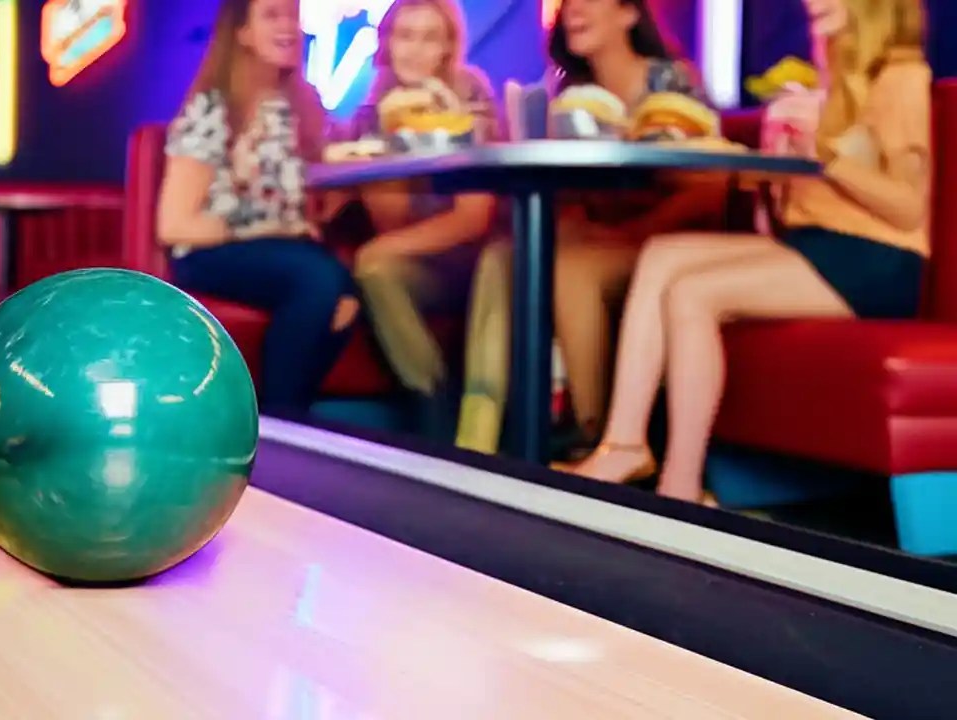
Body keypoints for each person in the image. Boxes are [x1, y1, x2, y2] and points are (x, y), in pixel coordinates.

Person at [569, 0, 931, 504]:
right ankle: (625, 443)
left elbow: (907, 208)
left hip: (876, 262)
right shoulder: (828, 77)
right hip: (818, 245)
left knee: (693, 293)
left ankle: (682, 484)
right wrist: (775, 163)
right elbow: (796, 211)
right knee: (661, 255)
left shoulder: (900, 75)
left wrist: (822, 152)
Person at [455, 0, 728, 456]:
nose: (573, 11)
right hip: (604, 238)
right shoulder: (571, 95)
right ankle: (484, 438)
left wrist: (631, 231)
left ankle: (595, 434)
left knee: (571, 269)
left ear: (629, 14)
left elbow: (710, 190)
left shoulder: (669, 82)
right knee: (504, 254)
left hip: (670, 241)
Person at [157, 0, 359, 416]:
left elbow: (301, 204)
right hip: (209, 249)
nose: (288, 25)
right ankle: (281, 426)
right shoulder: (213, 108)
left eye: (292, 14)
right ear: (242, 33)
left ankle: (285, 418)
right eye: (272, 15)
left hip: (281, 248)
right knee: (318, 278)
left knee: (350, 292)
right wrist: (274, 228)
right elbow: (174, 225)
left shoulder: (304, 105)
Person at [345, 0, 501, 439]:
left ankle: (471, 427)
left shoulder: (470, 98)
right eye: (405, 35)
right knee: (375, 269)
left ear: (448, 48)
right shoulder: (372, 112)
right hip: (421, 269)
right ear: (388, 42)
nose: (414, 50)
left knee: (375, 258)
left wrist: (443, 122)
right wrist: (392, 137)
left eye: (430, 37)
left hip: (480, 263)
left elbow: (475, 219)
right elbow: (389, 222)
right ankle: (433, 409)